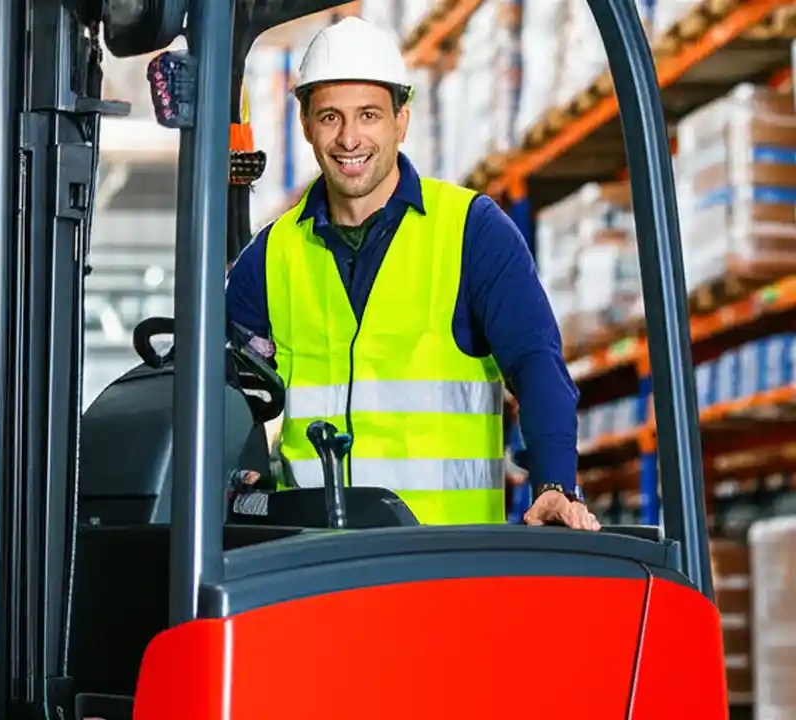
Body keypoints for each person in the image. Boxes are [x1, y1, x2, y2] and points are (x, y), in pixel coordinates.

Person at [226, 16, 599, 531]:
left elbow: (537, 364)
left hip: (443, 570)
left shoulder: (472, 232)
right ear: (306, 124)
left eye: (369, 115)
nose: (349, 138)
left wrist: (555, 484)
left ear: (401, 121)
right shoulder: (270, 256)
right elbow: (224, 388)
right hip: (311, 569)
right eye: (330, 117)